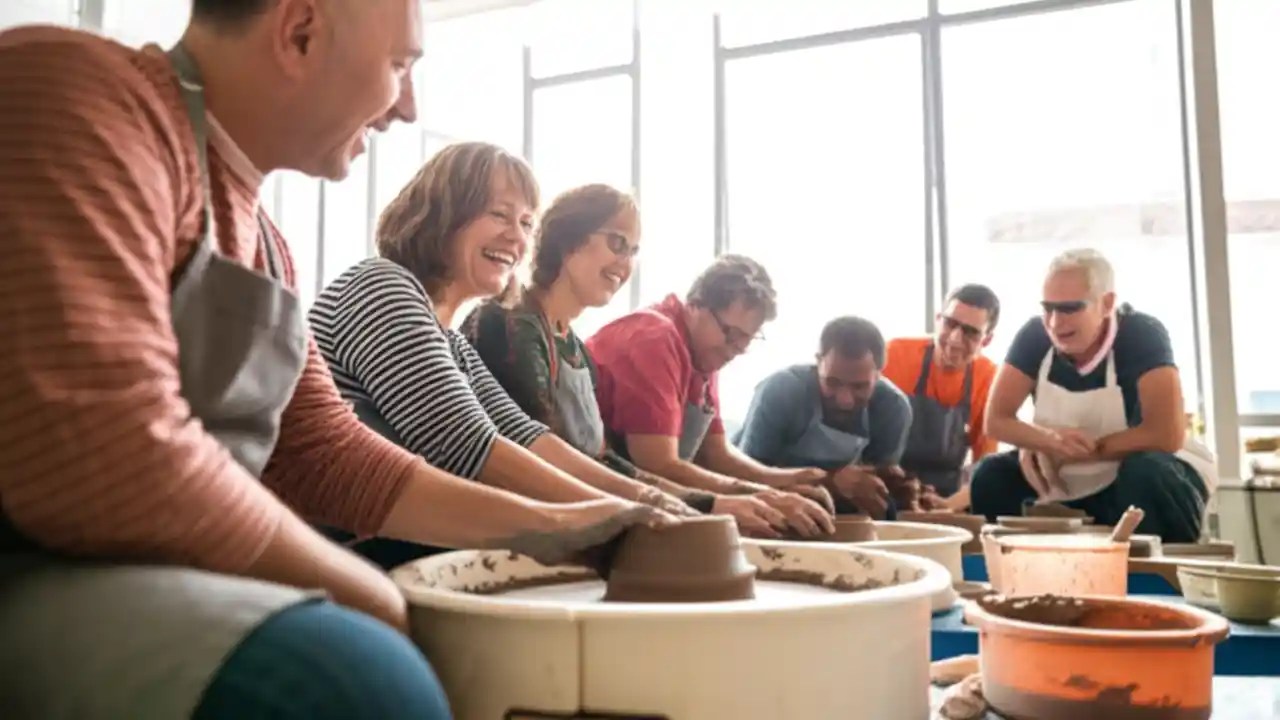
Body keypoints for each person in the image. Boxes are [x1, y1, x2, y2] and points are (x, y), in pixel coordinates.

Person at [0, 2, 663, 718]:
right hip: (36, 559)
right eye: (399, 66)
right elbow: (97, 453)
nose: (406, 108)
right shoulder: (76, 93)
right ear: (300, 31)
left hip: (149, 563)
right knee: (356, 680)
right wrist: (369, 594)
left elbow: (324, 452)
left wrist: (566, 528)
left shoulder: (268, 242)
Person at [309, 143, 696, 568]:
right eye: (499, 214)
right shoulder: (379, 286)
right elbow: (464, 444)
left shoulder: (453, 343)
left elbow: (526, 436)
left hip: (391, 547)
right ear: (442, 212)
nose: (517, 236)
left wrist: (652, 500)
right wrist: (617, 516)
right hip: (318, 552)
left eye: (527, 222)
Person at [464, 184, 802, 538]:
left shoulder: (574, 348)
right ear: (569, 239)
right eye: (617, 243)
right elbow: (543, 462)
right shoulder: (510, 324)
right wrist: (701, 506)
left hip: (576, 519)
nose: (625, 264)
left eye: (633, 251)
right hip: (515, 530)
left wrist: (705, 504)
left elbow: (605, 463)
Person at [971, 249, 1217, 542]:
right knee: (990, 476)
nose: (1054, 323)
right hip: (1063, 474)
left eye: (1070, 308)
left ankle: (1158, 578)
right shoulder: (1034, 336)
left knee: (1148, 475)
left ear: (1107, 304)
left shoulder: (1141, 334)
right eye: (1048, 308)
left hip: (1134, 469)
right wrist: (1049, 440)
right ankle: (1015, 574)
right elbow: (996, 421)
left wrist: (1086, 450)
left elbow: (1167, 434)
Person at [587, 255, 837, 537]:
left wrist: (783, 480)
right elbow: (658, 465)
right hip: (593, 495)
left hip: (639, 498)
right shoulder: (655, 339)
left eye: (748, 338)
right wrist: (766, 495)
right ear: (695, 306)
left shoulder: (704, 355)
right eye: (731, 334)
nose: (738, 348)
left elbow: (715, 453)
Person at [736, 316, 914, 519]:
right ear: (818, 362)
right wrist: (830, 482)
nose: (844, 399)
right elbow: (745, 478)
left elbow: (878, 490)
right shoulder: (782, 391)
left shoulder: (892, 408)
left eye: (859, 387)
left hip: (831, 514)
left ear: (879, 373)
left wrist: (898, 491)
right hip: (766, 507)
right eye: (832, 383)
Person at [882, 284, 1001, 500]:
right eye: (950, 323)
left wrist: (949, 506)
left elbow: (985, 466)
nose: (955, 339)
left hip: (943, 498)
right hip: (885, 490)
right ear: (938, 320)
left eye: (971, 332)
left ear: (987, 339)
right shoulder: (894, 355)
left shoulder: (990, 378)